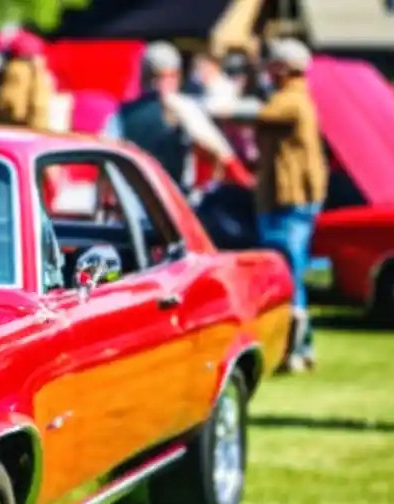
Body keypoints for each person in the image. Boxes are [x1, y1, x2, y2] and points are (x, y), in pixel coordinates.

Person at [254, 38, 326, 372]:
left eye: (272, 64)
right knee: (293, 274)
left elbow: (261, 116)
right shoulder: (301, 98)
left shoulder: (289, 100)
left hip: (286, 200)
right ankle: (302, 348)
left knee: (287, 277)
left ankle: (292, 351)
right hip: (295, 200)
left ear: (283, 68)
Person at [118, 42, 251, 197]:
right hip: (173, 197)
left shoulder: (123, 112)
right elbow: (219, 152)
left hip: (132, 196)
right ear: (176, 74)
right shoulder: (181, 107)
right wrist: (245, 181)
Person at [0, 33, 52, 130]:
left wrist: (38, 130)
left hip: (21, 125)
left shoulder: (27, 69)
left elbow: (38, 104)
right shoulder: (2, 70)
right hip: (4, 125)